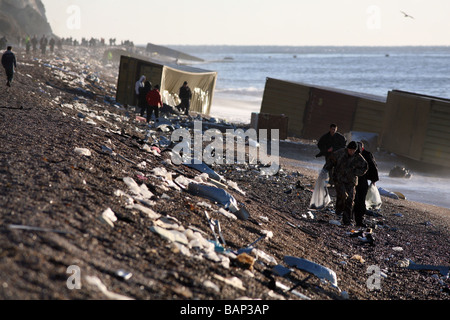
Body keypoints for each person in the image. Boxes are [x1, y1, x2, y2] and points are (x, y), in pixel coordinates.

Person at [324, 141, 368, 226]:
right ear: (347, 148)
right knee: (342, 196)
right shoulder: (340, 153)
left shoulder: (358, 158)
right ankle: (338, 212)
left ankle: (347, 220)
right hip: (339, 180)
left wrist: (355, 172)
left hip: (351, 182)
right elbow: (331, 160)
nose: (351, 152)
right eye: (350, 150)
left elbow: (364, 168)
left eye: (353, 150)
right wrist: (326, 169)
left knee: (350, 200)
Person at [353, 141, 379, 227]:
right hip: (358, 180)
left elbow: (373, 166)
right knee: (358, 200)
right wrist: (374, 179)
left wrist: (374, 179)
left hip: (359, 180)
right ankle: (356, 219)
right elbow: (373, 166)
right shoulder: (365, 154)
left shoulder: (362, 155)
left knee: (358, 200)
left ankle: (356, 219)